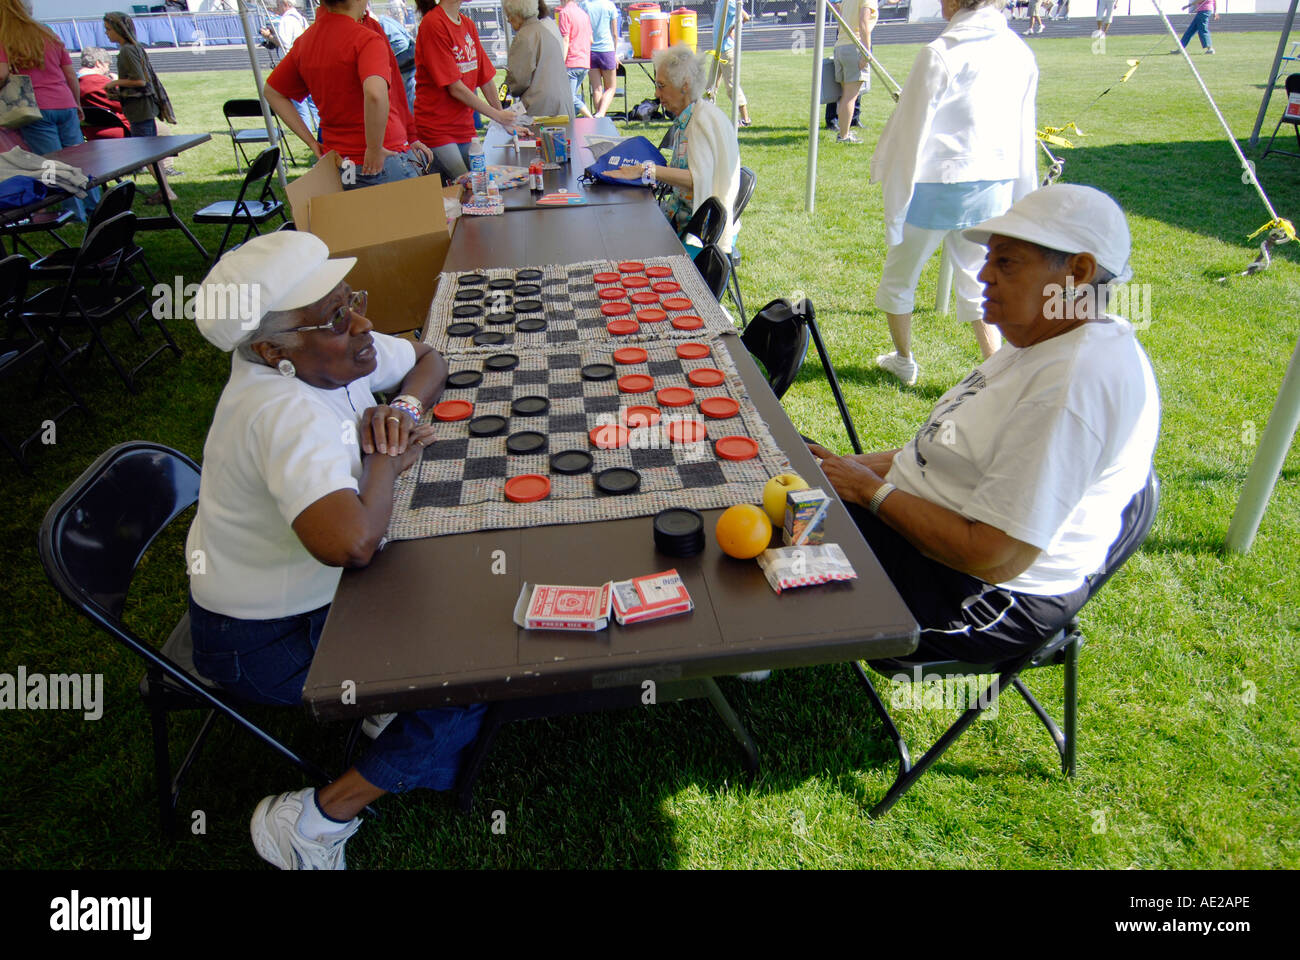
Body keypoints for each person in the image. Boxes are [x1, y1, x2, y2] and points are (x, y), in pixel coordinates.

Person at [188, 231, 486, 870]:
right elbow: (352, 544)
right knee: (478, 667)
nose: (362, 322)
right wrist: (385, 459)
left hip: (312, 598)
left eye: (352, 299)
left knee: (461, 596)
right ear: (273, 351)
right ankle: (316, 817)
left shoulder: (331, 352)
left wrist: (402, 408)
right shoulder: (282, 411)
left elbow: (429, 359)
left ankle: (394, 716)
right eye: (335, 317)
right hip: (262, 642)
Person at [810, 184, 1160, 665]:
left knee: (781, 532)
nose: (983, 275)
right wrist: (846, 470)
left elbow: (992, 556)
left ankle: (754, 639)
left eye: (1006, 263)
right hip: (932, 542)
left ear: (1078, 272)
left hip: (979, 596)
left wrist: (868, 490)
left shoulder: (1072, 385)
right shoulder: (1043, 337)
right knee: (780, 470)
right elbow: (945, 450)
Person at [870, 0, 1037, 385]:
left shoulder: (940, 53)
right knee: (979, 278)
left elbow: (910, 131)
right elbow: (1023, 132)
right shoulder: (1019, 52)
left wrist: (893, 191)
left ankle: (904, 358)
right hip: (991, 185)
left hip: (935, 185)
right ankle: (995, 368)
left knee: (900, 277)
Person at [264, 0, 435, 190]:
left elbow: (272, 92)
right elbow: (375, 93)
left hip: (342, 160)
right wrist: (374, 147)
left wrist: (312, 142)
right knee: (411, 217)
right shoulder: (365, 38)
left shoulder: (307, 41)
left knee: (359, 217)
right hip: (383, 156)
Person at [606, 44, 740, 253]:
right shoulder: (693, 117)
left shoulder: (700, 123)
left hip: (698, 234)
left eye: (661, 85)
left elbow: (697, 179)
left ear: (684, 85)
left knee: (625, 239)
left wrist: (645, 170)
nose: (656, 94)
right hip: (685, 222)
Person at [0, 0, 100, 220]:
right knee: (79, 160)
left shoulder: (4, 35)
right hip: (64, 102)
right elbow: (70, 74)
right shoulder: (47, 32)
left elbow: (2, 73)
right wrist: (76, 103)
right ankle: (96, 206)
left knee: (53, 165)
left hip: (35, 108)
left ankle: (74, 214)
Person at [412, 0, 514, 182]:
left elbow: (485, 78)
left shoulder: (467, 24)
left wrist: (503, 118)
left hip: (464, 128)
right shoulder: (433, 24)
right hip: (438, 129)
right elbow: (455, 88)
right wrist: (497, 116)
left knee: (481, 182)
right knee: (468, 184)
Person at [101, 11, 177, 204]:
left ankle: (166, 191)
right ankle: (165, 190)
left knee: (147, 153)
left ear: (119, 30)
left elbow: (140, 81)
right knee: (149, 151)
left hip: (140, 108)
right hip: (142, 107)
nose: (106, 33)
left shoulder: (127, 50)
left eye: (108, 29)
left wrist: (114, 82)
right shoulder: (133, 48)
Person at [503, 0, 574, 119]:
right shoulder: (546, 30)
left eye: (509, 15)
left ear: (518, 14)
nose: (508, 20)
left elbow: (519, 80)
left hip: (541, 108)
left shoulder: (524, 36)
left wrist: (508, 86)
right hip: (562, 104)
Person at [261, 0, 318, 136]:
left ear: (285, 4)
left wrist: (269, 36)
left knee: (300, 103)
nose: (277, 8)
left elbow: (283, 42)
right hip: (306, 63)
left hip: (294, 64)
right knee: (311, 101)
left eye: (278, 5)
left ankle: (307, 133)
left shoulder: (286, 21)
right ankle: (318, 127)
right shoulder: (301, 18)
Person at [831, 0, 877, 145]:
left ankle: (844, 131)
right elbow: (864, 23)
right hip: (854, 46)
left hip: (841, 46)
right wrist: (866, 52)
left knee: (845, 95)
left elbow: (841, 21)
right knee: (850, 96)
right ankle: (844, 136)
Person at [710, 0, 751, 126]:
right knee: (710, 86)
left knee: (731, 87)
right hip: (718, 50)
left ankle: (745, 119)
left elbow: (745, 17)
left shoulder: (731, 2)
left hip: (726, 51)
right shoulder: (722, 2)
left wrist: (732, 29)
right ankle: (707, 117)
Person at [372, 2, 418, 111]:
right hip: (409, 58)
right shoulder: (385, 21)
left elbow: (399, 44)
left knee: (410, 96)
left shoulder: (381, 25)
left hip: (404, 63)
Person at [556, 0, 593, 118]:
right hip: (584, 61)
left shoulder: (564, 13)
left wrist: (561, 62)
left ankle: (590, 118)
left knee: (569, 97)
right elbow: (591, 40)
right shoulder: (584, 14)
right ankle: (572, 121)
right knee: (571, 97)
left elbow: (565, 39)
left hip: (571, 62)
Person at [582, 0, 619, 117]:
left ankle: (599, 117)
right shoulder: (609, 5)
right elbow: (615, 34)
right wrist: (615, 53)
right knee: (611, 87)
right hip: (607, 50)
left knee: (597, 89)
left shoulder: (584, 5)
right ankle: (601, 113)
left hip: (590, 51)